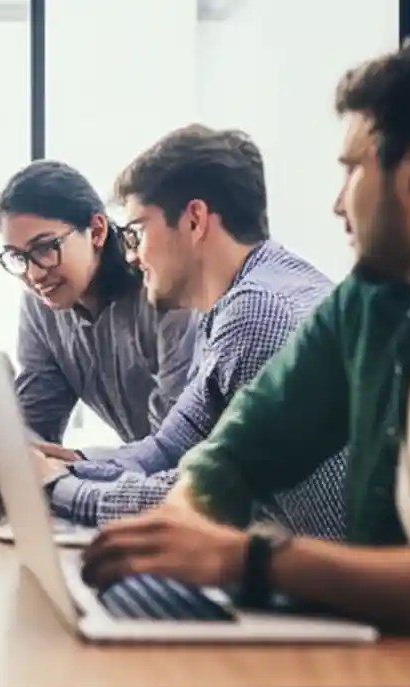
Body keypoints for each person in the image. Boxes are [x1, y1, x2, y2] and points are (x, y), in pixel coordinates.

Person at [81, 36, 410, 687]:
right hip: (384, 671)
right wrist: (176, 532)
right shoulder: (370, 303)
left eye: (352, 170)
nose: (338, 203)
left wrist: (254, 561)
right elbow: (243, 447)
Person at [42, 126, 346, 538]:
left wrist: (58, 487)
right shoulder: (239, 298)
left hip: (336, 595)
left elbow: (196, 500)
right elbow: (168, 450)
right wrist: (58, 463)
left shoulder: (259, 312)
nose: (130, 255)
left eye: (136, 232)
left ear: (194, 220)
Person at [0, 160, 198, 461]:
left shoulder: (163, 289)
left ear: (97, 230)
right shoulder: (43, 304)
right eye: (17, 257)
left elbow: (172, 450)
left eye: (45, 248)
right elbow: (37, 424)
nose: (33, 275)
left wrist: (60, 462)